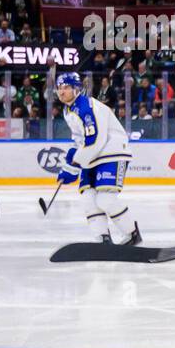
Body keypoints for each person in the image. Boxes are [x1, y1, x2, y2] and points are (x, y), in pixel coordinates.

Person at [54, 73, 139, 245]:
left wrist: (75, 165)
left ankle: (132, 235)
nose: (61, 92)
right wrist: (70, 161)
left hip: (111, 152)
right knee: (88, 198)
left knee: (105, 199)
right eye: (59, 88)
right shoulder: (68, 110)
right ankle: (103, 239)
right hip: (93, 155)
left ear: (76, 89)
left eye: (66, 87)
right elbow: (81, 140)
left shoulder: (86, 107)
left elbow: (96, 140)